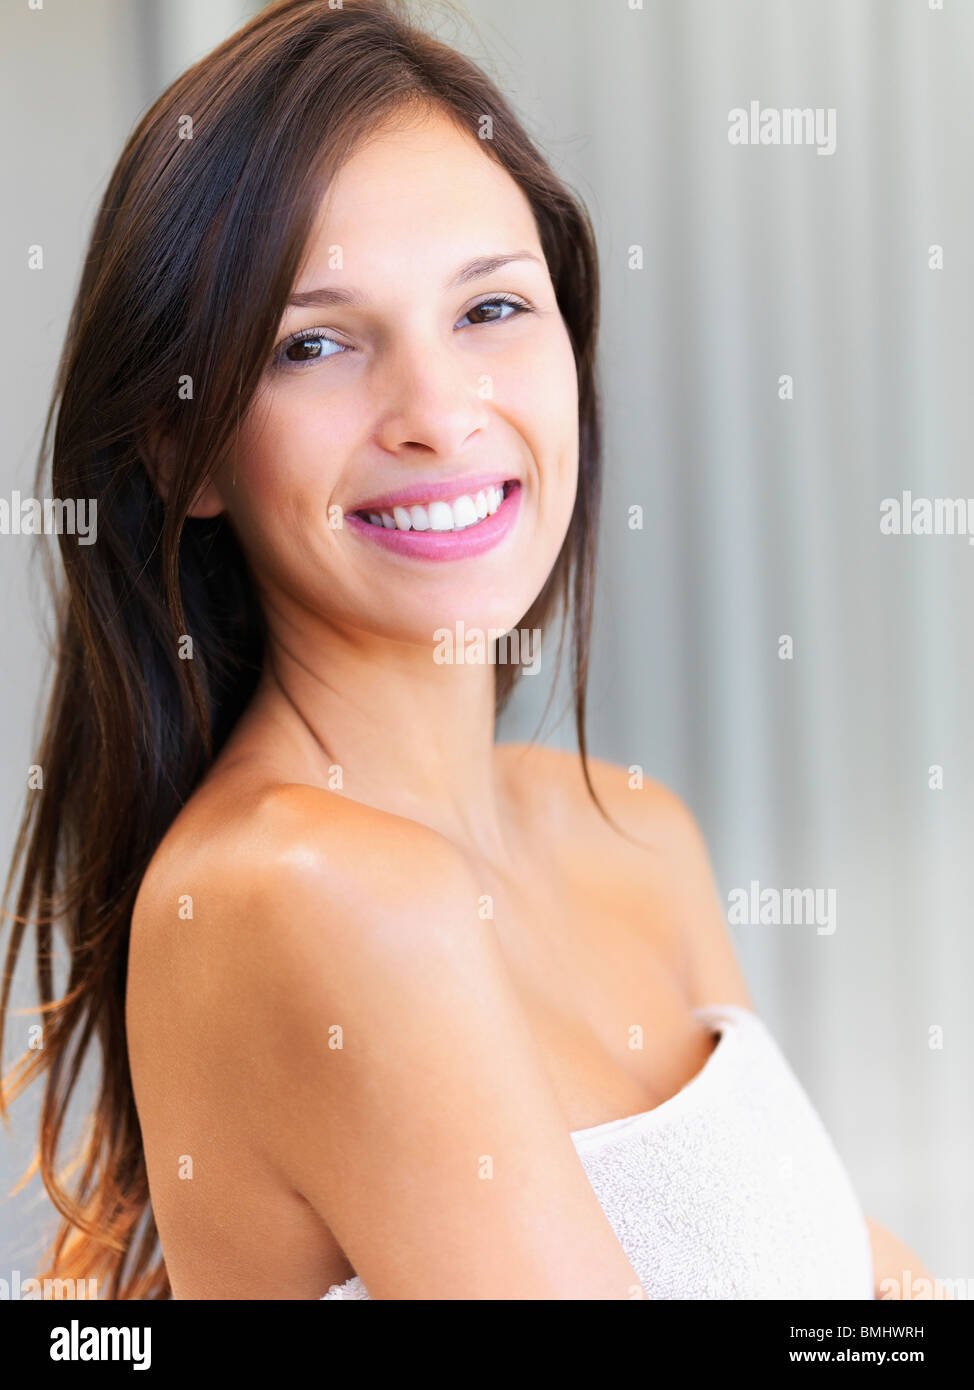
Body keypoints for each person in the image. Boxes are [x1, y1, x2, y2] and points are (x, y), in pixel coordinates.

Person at [1, 0, 933, 1300]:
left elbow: (866, 1280)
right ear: (182, 448)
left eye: (490, 307)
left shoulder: (632, 834)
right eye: (311, 342)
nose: (439, 414)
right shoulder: (306, 892)